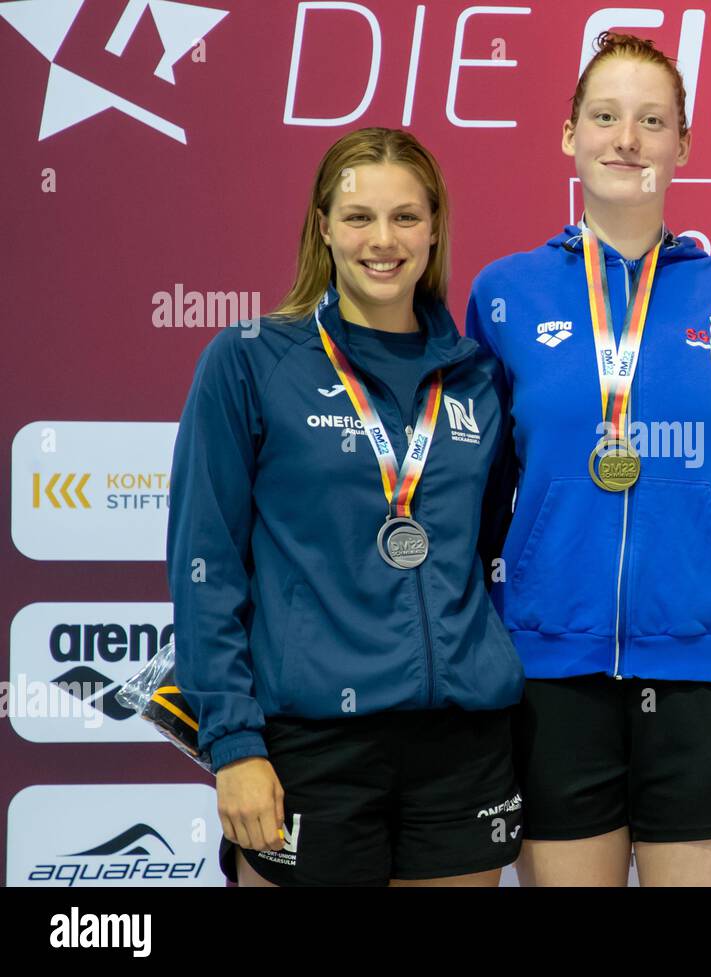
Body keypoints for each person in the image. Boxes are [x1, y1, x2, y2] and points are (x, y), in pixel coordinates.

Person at [465, 32, 711, 886]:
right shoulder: (504, 294)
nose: (628, 140)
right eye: (606, 117)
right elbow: (470, 477)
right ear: (567, 135)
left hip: (706, 665)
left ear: (682, 146)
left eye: (653, 121)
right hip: (550, 665)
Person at [167, 127, 524, 887]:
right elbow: (206, 566)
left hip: (461, 745)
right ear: (323, 226)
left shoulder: (478, 380)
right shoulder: (250, 360)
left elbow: (487, 552)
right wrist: (233, 743)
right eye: (360, 217)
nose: (382, 240)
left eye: (405, 217)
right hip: (310, 744)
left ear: (433, 230)